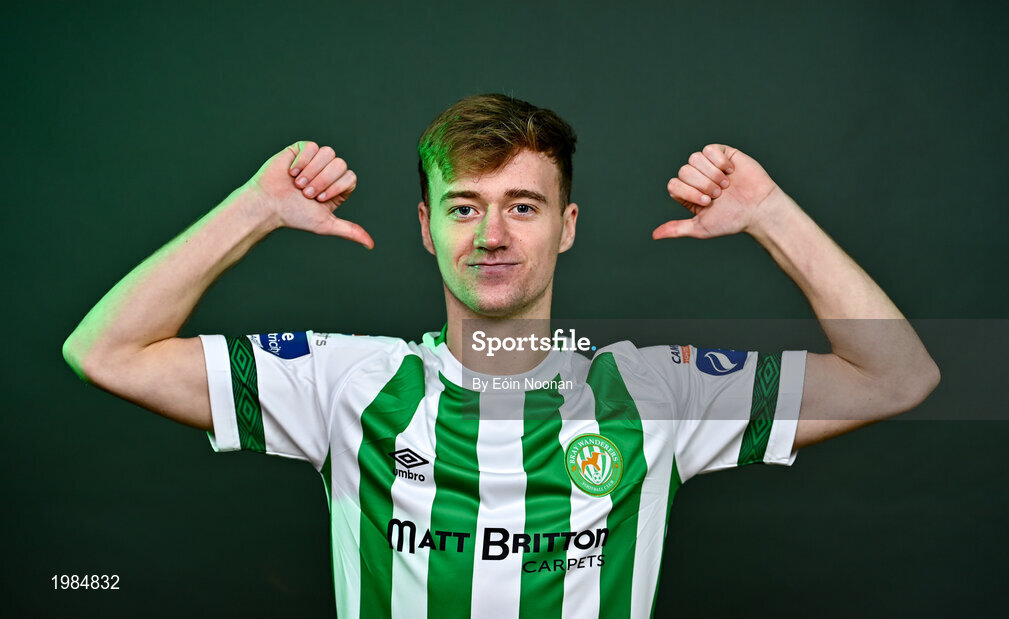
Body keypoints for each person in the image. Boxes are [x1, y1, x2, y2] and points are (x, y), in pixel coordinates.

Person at [63, 93, 940, 618]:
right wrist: (253, 208)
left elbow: (898, 377)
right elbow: (108, 351)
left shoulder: (654, 392)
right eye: (464, 206)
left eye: (523, 206)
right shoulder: (345, 382)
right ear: (426, 228)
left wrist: (773, 213)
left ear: (566, 229)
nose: (490, 234)